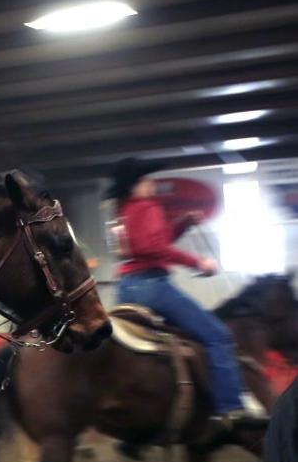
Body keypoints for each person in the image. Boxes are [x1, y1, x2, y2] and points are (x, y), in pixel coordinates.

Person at [107, 156, 266, 430]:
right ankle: (231, 406)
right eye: (147, 180)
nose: (152, 184)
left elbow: (147, 243)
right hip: (153, 287)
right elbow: (153, 248)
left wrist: (181, 224)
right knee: (217, 337)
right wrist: (198, 262)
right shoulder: (147, 206)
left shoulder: (123, 212)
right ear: (136, 185)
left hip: (125, 290)